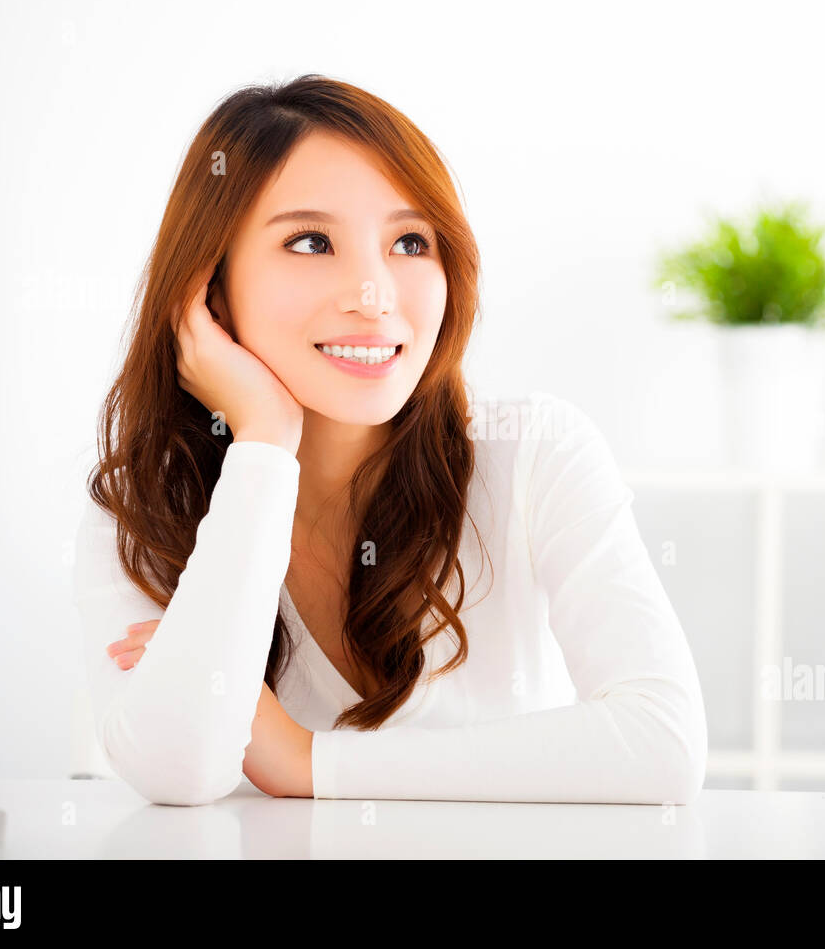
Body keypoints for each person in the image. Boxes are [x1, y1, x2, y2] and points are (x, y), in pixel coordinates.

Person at [72, 73, 707, 806]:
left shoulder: (533, 455)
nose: (373, 295)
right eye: (311, 242)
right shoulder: (143, 506)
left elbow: (663, 745)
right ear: (209, 291)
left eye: (410, 241)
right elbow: (179, 771)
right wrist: (264, 445)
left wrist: (309, 761)